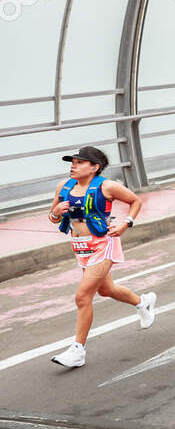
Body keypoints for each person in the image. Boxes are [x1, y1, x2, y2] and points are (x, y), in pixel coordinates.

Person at [47, 146, 155, 368]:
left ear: (94, 167)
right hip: (80, 246)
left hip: (103, 244)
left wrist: (127, 223)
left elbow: (135, 201)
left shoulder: (107, 186)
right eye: (72, 162)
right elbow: (52, 217)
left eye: (79, 162)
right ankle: (142, 303)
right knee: (106, 290)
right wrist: (56, 213)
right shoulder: (64, 187)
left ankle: (78, 350)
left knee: (82, 296)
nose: (73, 166)